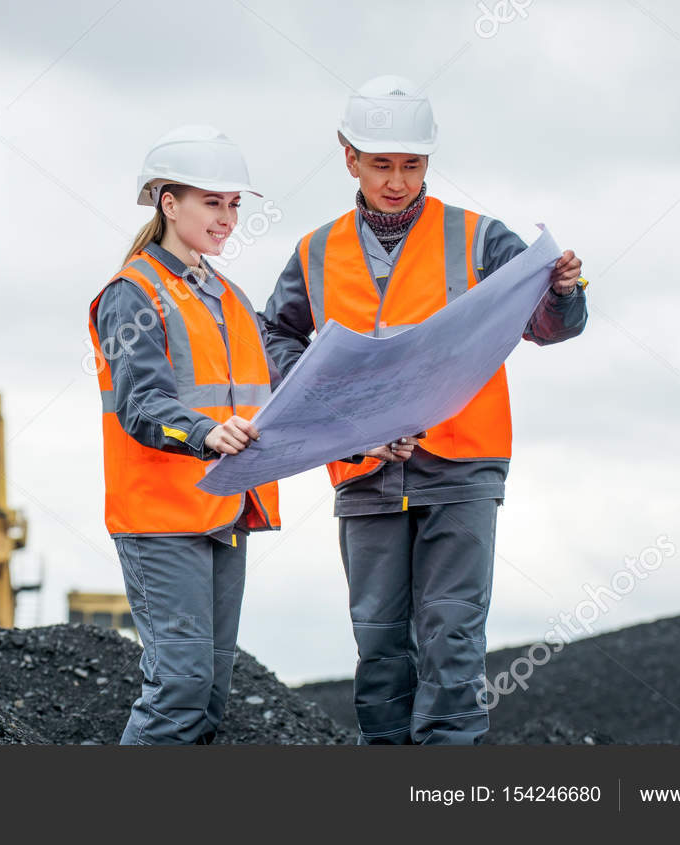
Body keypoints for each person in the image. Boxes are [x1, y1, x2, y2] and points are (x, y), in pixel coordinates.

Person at [261, 76, 588, 745]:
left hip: (462, 465)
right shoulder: (317, 252)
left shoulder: (478, 238)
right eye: (381, 164)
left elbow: (547, 324)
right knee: (380, 645)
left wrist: (563, 291)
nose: (397, 181)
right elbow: (276, 336)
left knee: (452, 637)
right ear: (349, 158)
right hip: (365, 472)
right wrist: (335, 408)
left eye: (411, 165)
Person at [88, 125, 413, 745]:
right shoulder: (133, 294)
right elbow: (140, 404)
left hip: (225, 511)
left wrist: (364, 441)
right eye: (213, 202)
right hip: (162, 519)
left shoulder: (231, 300)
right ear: (168, 203)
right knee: (179, 689)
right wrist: (208, 433)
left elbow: (286, 407)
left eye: (234, 204)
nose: (227, 218)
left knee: (208, 696)